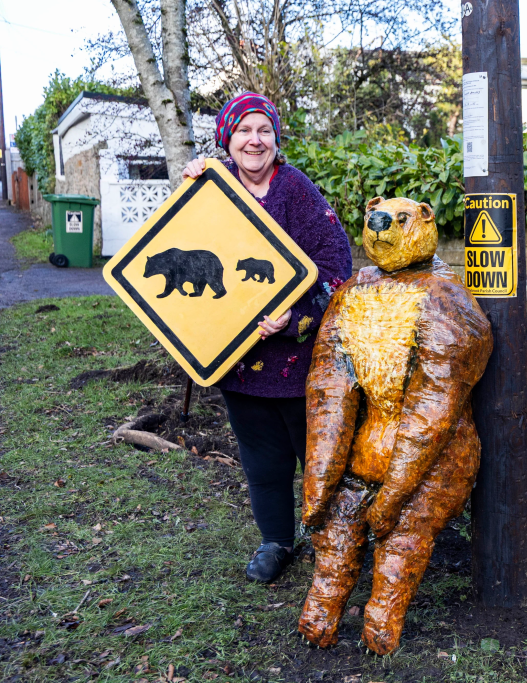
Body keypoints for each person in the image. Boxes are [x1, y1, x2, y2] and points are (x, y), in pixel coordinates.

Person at [182, 92, 352, 583]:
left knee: (320, 462)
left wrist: (294, 312)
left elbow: (336, 265)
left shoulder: (296, 191)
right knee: (262, 460)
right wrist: (190, 187)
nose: (254, 141)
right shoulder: (212, 188)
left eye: (264, 132)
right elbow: (182, 249)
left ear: (276, 140)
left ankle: (334, 546)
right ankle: (276, 541)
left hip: (299, 364)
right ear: (226, 139)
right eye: (243, 131)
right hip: (237, 360)